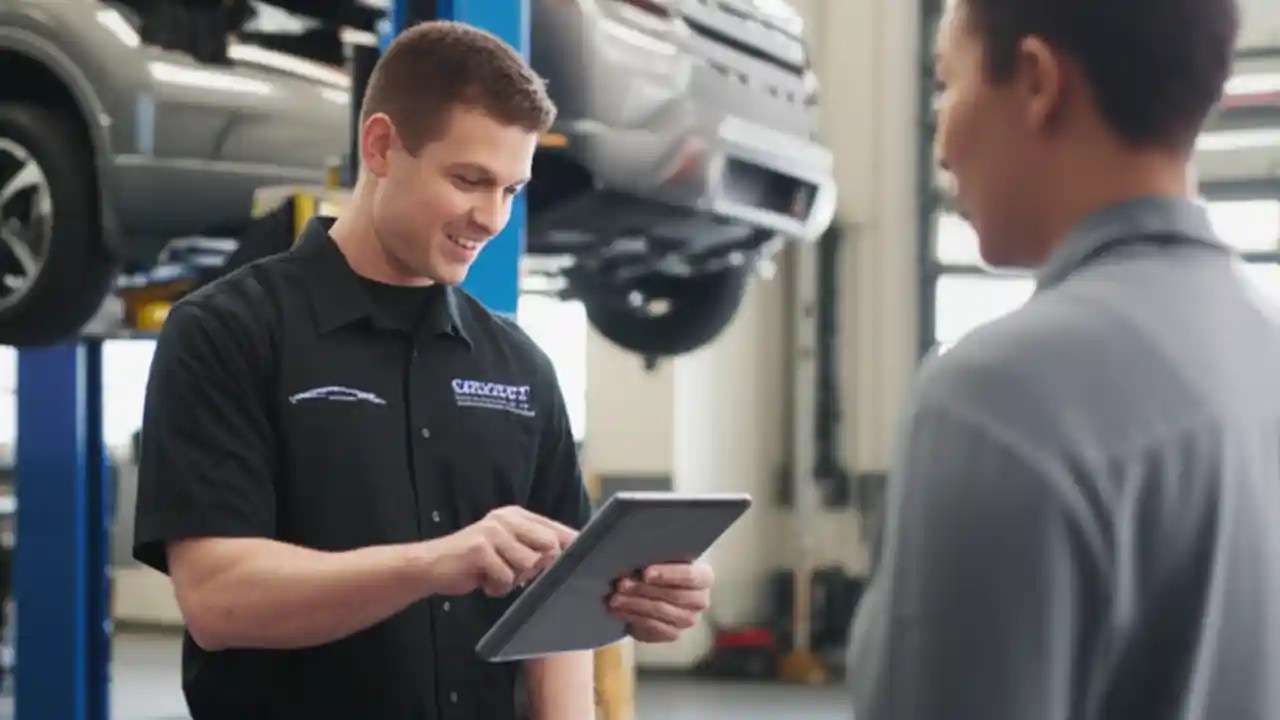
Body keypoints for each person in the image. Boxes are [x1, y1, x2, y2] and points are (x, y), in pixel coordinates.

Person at [132, 20, 716, 720]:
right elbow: (218, 600)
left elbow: (556, 614)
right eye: (469, 180)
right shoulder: (229, 332)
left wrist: (633, 592)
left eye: (512, 189)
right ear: (381, 146)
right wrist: (433, 563)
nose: (492, 217)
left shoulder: (520, 367)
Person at [848, 0, 1280, 718]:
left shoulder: (999, 397)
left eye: (946, 85)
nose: (942, 145)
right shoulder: (1263, 349)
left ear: (1037, 81)